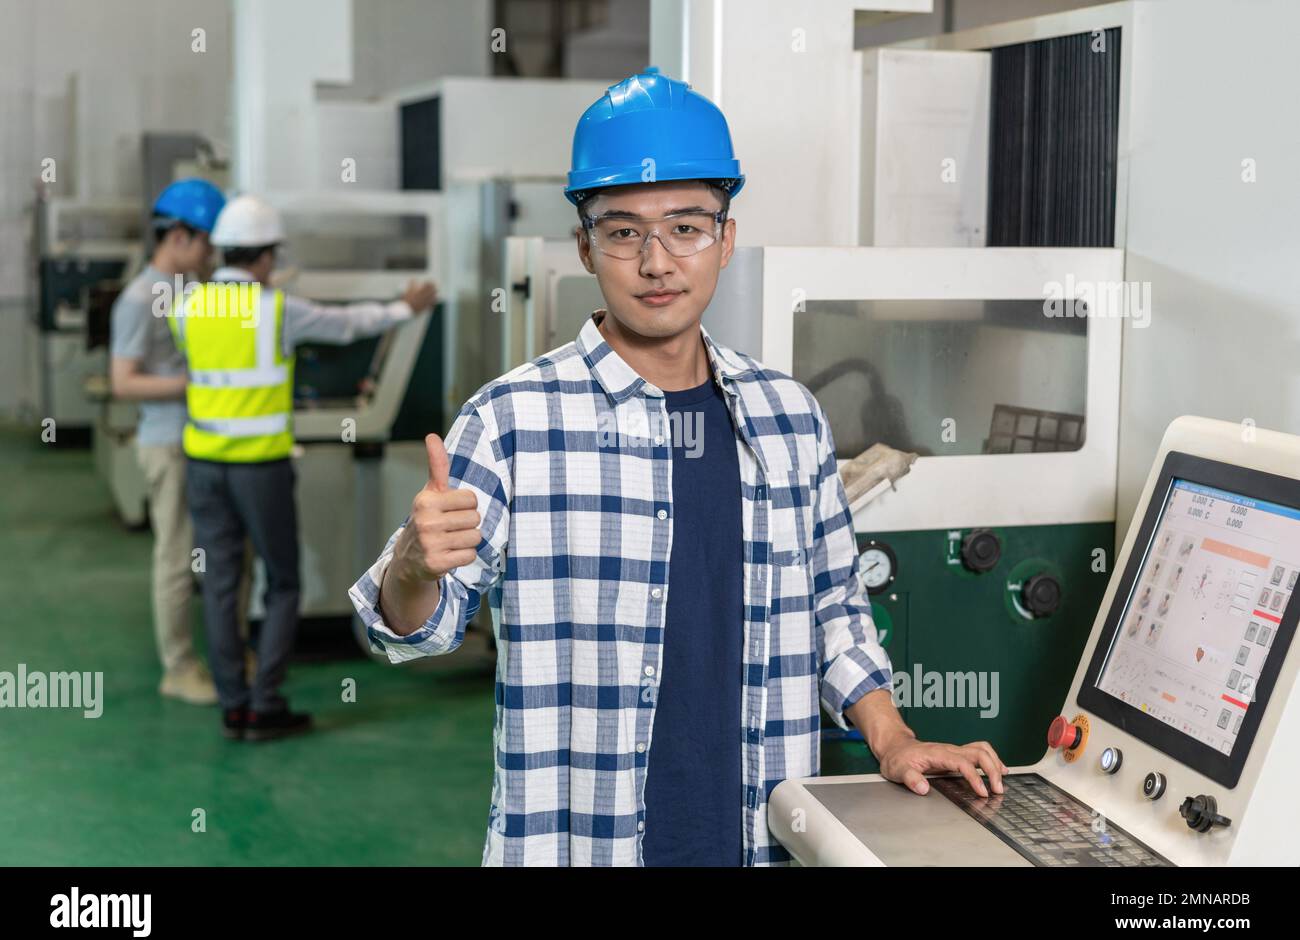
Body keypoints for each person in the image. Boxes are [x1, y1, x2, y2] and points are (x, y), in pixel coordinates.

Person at [350, 67, 1006, 865]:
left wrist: (893, 738)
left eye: (687, 226)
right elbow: (413, 629)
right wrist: (414, 566)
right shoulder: (513, 421)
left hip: (755, 840)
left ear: (725, 238)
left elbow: (836, 608)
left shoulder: (788, 416)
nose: (657, 260)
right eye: (624, 231)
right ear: (585, 246)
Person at [170, 194, 437, 740]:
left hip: (202, 464)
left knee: (221, 583)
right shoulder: (274, 309)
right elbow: (343, 325)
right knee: (283, 582)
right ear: (265, 257)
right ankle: (264, 703)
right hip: (260, 468)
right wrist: (403, 309)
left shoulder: (184, 307)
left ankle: (233, 705)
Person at [111, 178, 225, 705]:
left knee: (221, 552)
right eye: (206, 242)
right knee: (177, 557)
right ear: (179, 235)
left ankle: (223, 653)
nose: (211, 254)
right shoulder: (139, 299)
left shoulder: (196, 293)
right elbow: (124, 381)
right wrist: (199, 383)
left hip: (206, 440)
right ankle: (178, 668)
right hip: (166, 443)